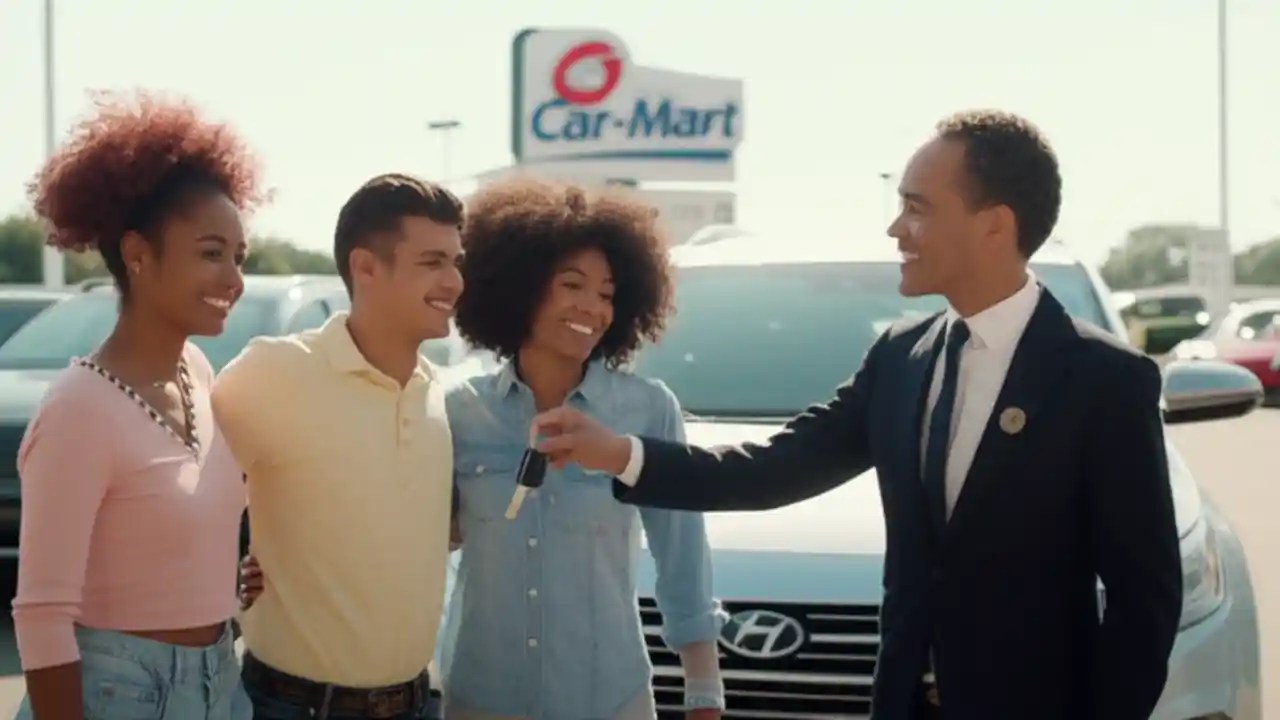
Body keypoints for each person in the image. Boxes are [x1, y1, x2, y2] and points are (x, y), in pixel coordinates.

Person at [529, 110, 1183, 720]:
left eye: (916, 208)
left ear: (994, 225)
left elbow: (1144, 602)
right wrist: (620, 453)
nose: (896, 229)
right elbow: (773, 468)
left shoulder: (1105, 381)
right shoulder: (902, 358)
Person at [240, 178, 725, 720]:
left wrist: (704, 687)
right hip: (479, 700)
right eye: (572, 285)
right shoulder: (456, 408)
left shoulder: (647, 409)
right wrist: (252, 559)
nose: (592, 306)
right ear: (522, 286)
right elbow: (403, 534)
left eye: (607, 294)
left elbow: (682, 556)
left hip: (609, 698)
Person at [11, 91, 263, 719]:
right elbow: (41, 616)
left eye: (238, 257)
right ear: (137, 253)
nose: (233, 278)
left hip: (218, 682)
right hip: (118, 693)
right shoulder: (78, 409)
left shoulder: (200, 374)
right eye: (211, 253)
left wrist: (219, 581)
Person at [211, 173, 464, 720]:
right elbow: (174, 495)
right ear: (366, 267)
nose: (454, 281)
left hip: (419, 704)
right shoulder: (276, 372)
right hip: (294, 708)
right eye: (432, 262)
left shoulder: (435, 394)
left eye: (455, 261)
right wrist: (222, 573)